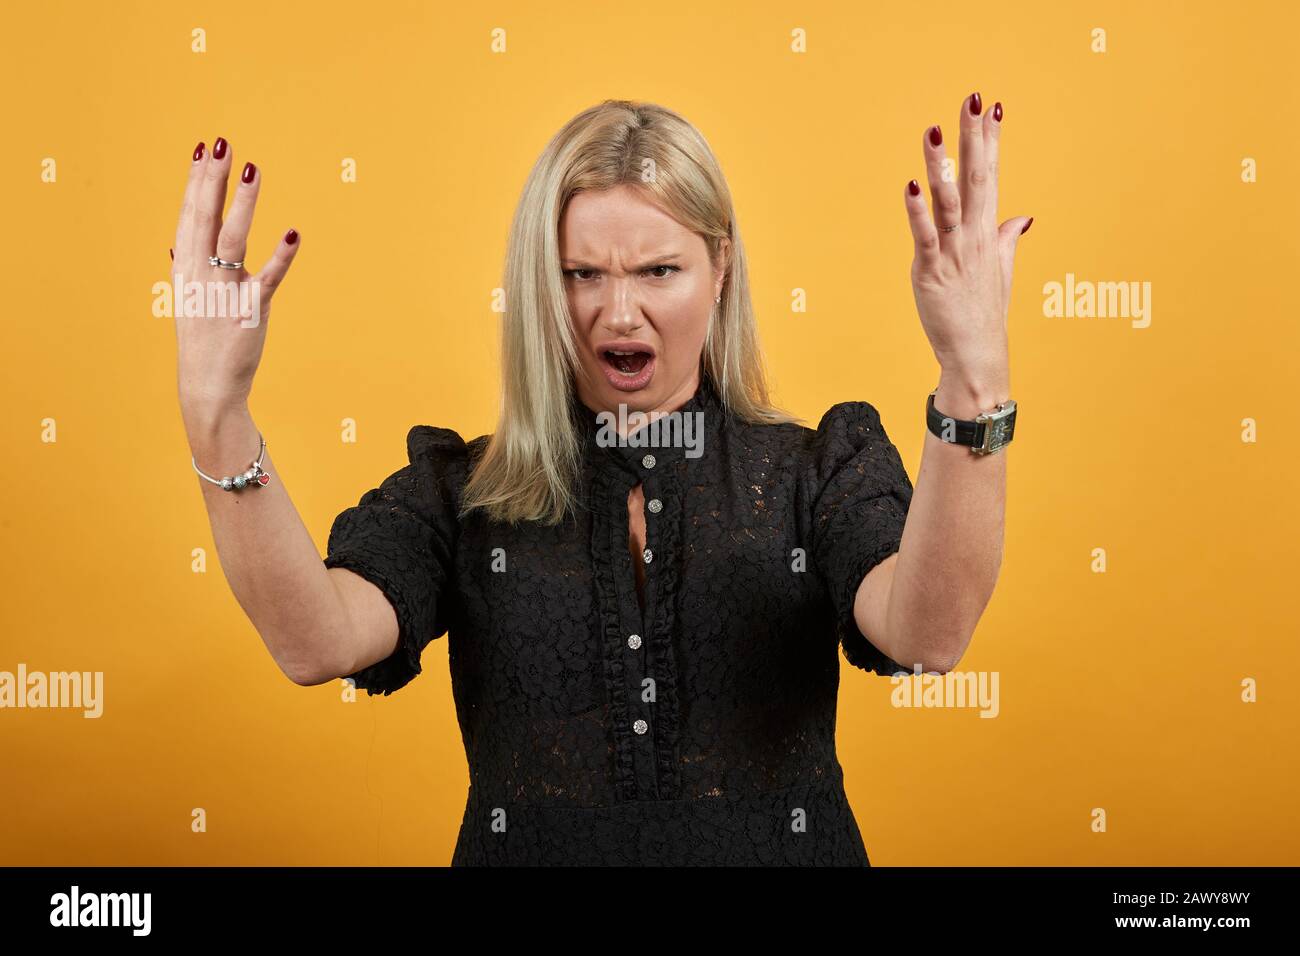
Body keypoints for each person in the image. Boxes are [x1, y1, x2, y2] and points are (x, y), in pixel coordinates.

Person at [172, 96, 1025, 866]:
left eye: (659, 270)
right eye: (583, 274)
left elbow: (928, 636)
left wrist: (972, 380)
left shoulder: (815, 471)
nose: (619, 313)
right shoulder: (460, 492)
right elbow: (315, 643)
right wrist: (218, 415)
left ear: (720, 270)